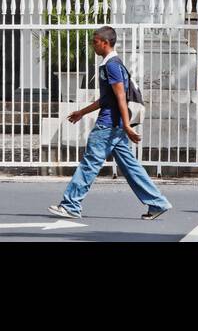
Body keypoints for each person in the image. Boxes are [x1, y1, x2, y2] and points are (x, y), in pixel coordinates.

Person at [47, 27, 172, 221]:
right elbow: (107, 99)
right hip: (115, 124)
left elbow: (121, 96)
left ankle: (71, 204)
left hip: (109, 124)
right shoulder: (110, 64)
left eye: (95, 41)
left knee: (90, 162)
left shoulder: (112, 65)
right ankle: (157, 202)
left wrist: (126, 125)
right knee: (131, 167)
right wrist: (82, 112)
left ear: (105, 43)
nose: (93, 45)